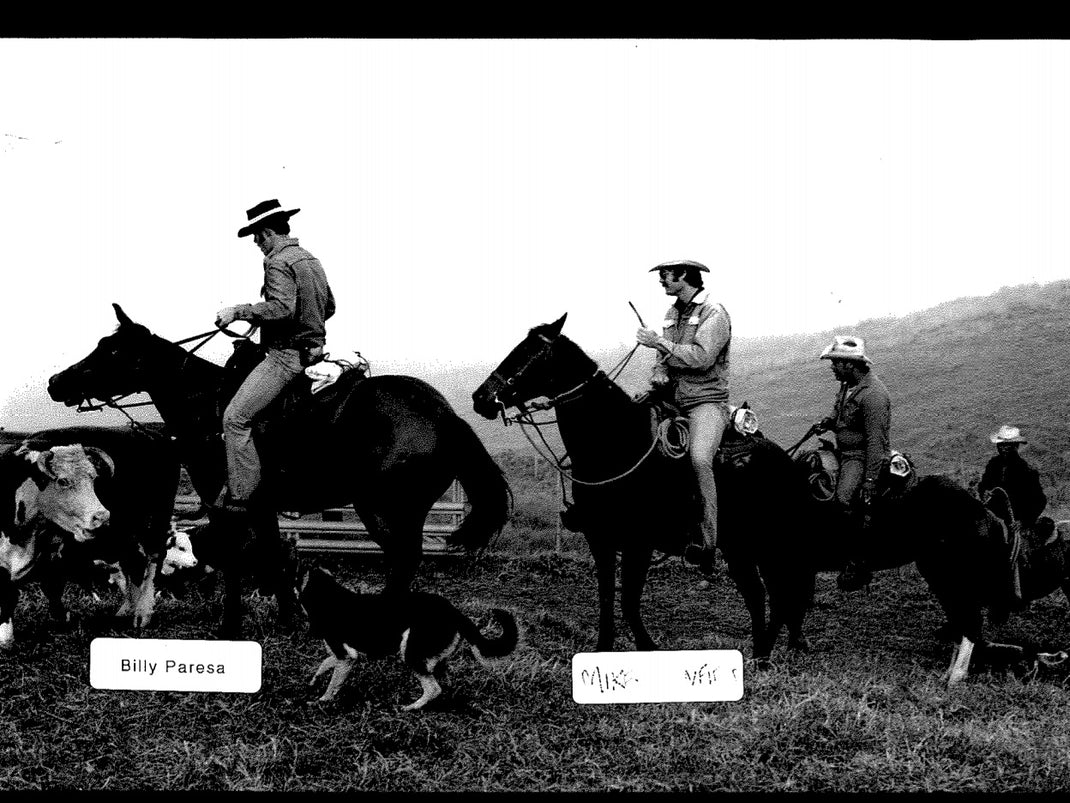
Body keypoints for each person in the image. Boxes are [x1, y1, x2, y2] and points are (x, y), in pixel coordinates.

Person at [212, 199, 336, 514]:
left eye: (256, 236)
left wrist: (238, 312)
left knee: (235, 418)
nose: (255, 242)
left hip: (285, 357)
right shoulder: (310, 259)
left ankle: (243, 499)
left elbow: (282, 308)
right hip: (314, 353)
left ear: (267, 232)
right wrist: (309, 329)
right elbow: (329, 306)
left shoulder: (277, 261)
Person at [636, 259, 732, 573]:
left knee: (700, 459)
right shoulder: (671, 313)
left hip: (706, 402)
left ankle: (709, 542)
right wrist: (659, 372)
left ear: (684, 277)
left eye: (666, 276)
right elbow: (662, 359)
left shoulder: (714, 313)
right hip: (673, 398)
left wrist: (659, 342)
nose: (662, 282)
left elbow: (703, 357)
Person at [813, 335, 891, 590]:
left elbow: (875, 442)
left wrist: (869, 480)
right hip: (843, 452)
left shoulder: (874, 394)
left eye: (836, 363)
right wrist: (828, 423)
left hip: (859, 457)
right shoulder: (848, 386)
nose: (832, 367)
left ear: (850, 364)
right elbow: (842, 418)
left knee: (844, 499)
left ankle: (857, 561)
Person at [977, 425, 1047, 531]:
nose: (1003, 449)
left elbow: (1040, 501)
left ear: (1015, 446)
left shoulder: (1027, 471)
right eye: (1000, 445)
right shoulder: (993, 464)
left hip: (1013, 519)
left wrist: (1024, 521)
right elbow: (983, 485)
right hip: (992, 515)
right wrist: (984, 492)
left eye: (1007, 446)